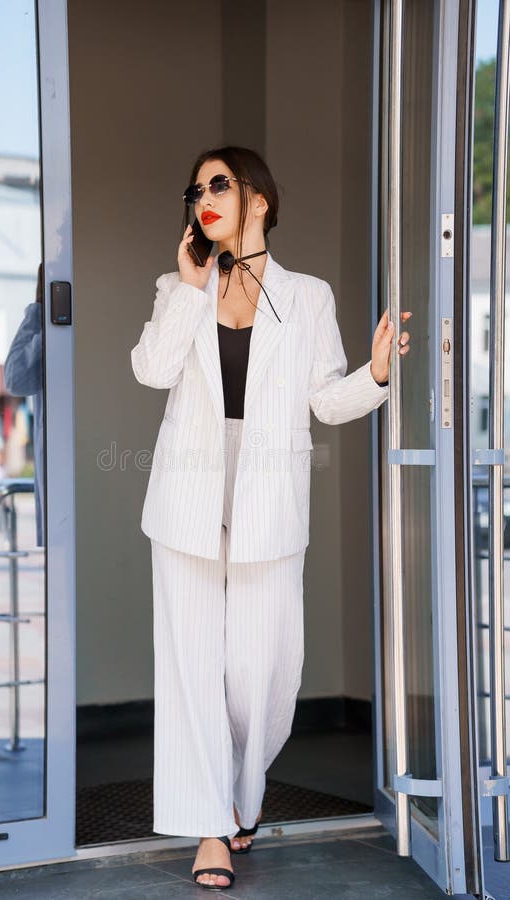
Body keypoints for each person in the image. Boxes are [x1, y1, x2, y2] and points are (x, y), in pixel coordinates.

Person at [130, 146, 411, 891]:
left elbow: (324, 399)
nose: (205, 198)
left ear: (257, 198)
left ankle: (242, 795)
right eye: (195, 190)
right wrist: (190, 291)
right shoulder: (177, 285)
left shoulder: (308, 296)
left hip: (269, 498)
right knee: (193, 667)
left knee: (264, 670)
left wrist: (378, 374)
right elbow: (152, 369)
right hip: (187, 497)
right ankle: (211, 830)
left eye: (219, 184)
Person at [4, 264, 44, 547]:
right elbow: (16, 380)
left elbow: (14, 379)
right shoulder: (51, 334)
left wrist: (39, 310)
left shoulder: (56, 333)